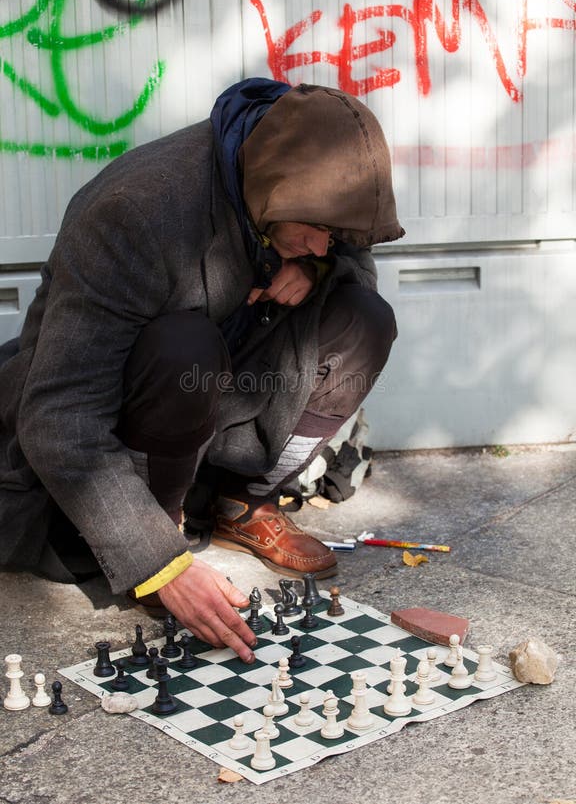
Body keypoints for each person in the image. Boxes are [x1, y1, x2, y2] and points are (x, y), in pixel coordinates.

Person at [0, 78, 404, 662]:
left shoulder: (307, 188)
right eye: (316, 233)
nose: (325, 245)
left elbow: (352, 257)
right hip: (130, 411)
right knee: (183, 344)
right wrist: (158, 563)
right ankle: (164, 528)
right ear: (273, 188)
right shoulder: (137, 213)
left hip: (231, 395)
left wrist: (318, 271)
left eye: (335, 236)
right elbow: (59, 414)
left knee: (365, 318)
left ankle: (242, 501)